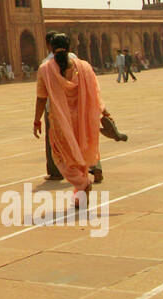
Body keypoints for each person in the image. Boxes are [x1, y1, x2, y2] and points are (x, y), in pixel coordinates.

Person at [33, 33, 108, 206]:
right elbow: (95, 92)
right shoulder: (83, 66)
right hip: (82, 118)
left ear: (50, 48)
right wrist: (104, 111)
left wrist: (37, 120)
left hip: (61, 120)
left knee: (60, 156)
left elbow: (41, 98)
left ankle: (82, 183)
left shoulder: (45, 69)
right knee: (80, 152)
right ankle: (80, 195)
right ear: (70, 47)